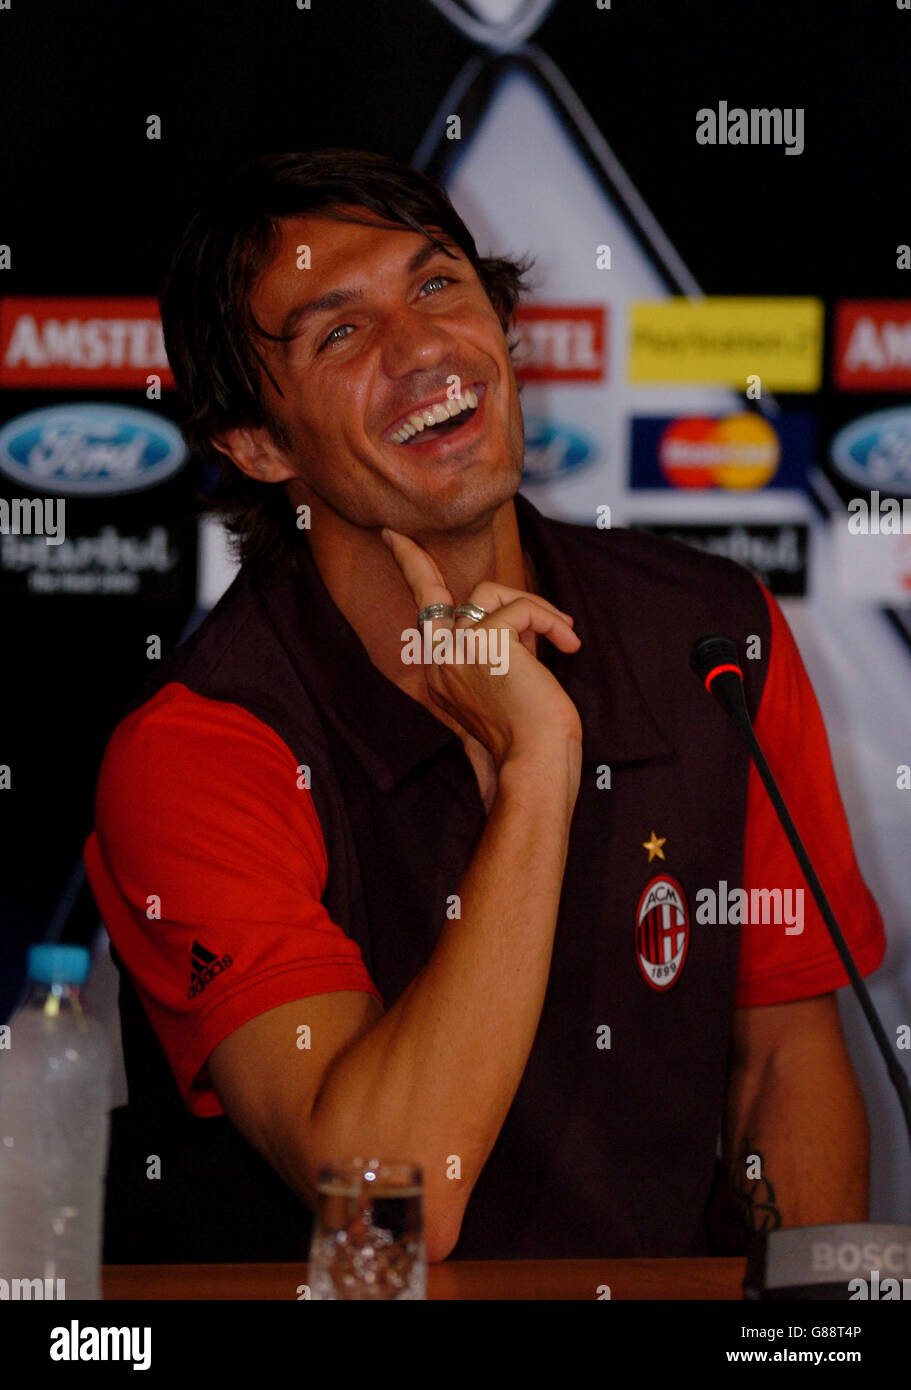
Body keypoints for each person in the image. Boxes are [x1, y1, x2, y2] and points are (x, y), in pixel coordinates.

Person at [85, 149, 886, 1265]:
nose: (422, 350)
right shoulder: (199, 748)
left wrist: (812, 1341)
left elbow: (781, 1059)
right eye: (339, 333)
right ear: (256, 444)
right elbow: (389, 1205)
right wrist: (539, 768)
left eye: (435, 286)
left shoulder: (714, 637)